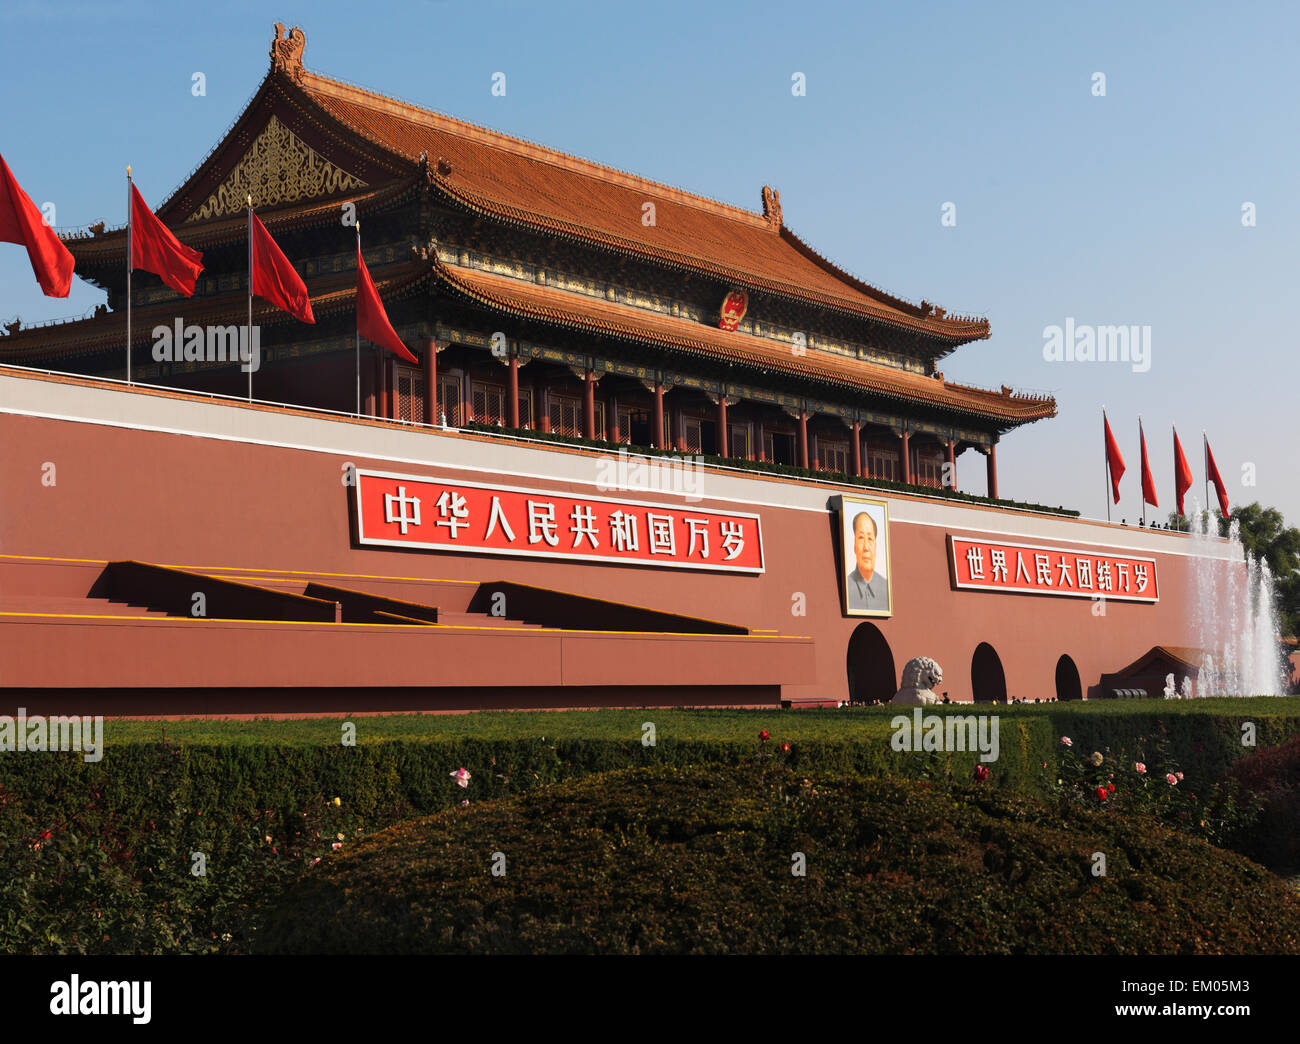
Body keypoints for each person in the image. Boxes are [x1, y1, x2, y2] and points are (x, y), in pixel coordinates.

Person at [846, 510, 890, 612]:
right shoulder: (846, 587)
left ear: (875, 545)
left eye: (870, 539)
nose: (866, 547)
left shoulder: (886, 588)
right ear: (854, 545)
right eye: (861, 538)